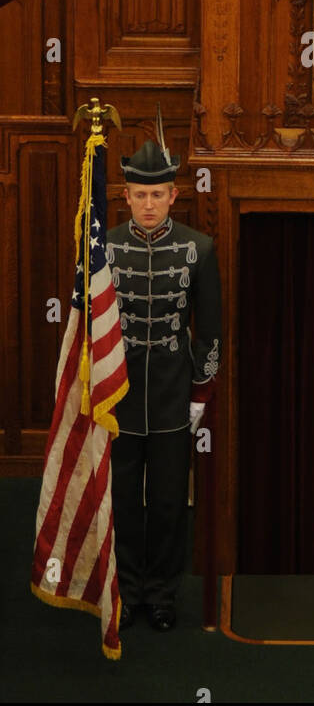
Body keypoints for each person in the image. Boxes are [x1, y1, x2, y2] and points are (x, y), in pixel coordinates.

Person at [107, 140, 221, 633]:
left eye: (157, 195)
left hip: (175, 394)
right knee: (125, 498)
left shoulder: (200, 248)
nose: (148, 204)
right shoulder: (105, 248)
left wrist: (201, 392)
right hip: (119, 396)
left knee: (172, 501)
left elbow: (211, 329)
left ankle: (162, 594)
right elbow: (86, 327)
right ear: (126, 197)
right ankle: (128, 591)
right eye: (139, 195)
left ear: (174, 196)